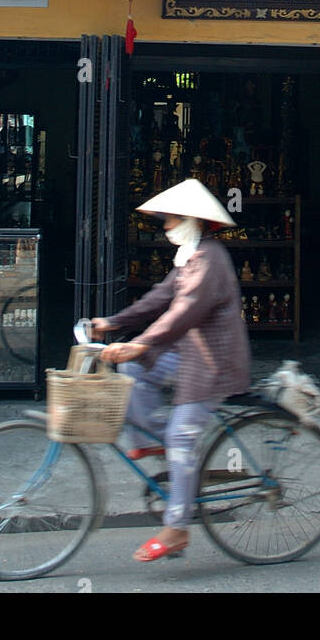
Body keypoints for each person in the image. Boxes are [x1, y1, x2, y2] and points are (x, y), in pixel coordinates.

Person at [92, 177, 250, 563]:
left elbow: (183, 312)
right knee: (135, 374)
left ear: (192, 221)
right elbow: (159, 299)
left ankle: (177, 525)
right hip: (188, 352)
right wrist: (113, 322)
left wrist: (140, 343)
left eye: (171, 219)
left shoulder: (210, 260)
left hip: (215, 363)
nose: (166, 226)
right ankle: (156, 439)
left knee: (181, 435)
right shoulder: (189, 257)